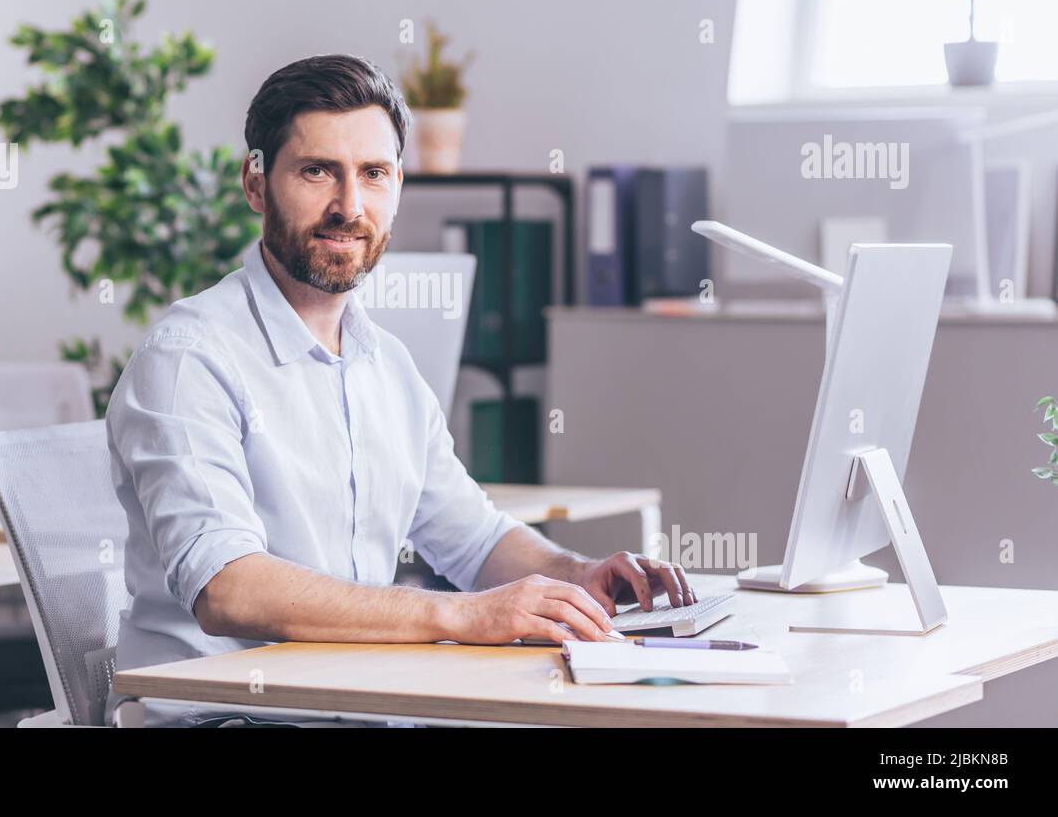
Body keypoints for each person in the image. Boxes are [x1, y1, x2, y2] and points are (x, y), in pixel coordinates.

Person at [106, 54, 694, 725]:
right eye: (316, 170)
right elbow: (229, 590)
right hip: (222, 719)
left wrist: (574, 574)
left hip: (362, 707)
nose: (348, 207)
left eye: (373, 174)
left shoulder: (387, 365)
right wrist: (458, 613)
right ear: (255, 183)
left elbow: (472, 541)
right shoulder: (190, 358)